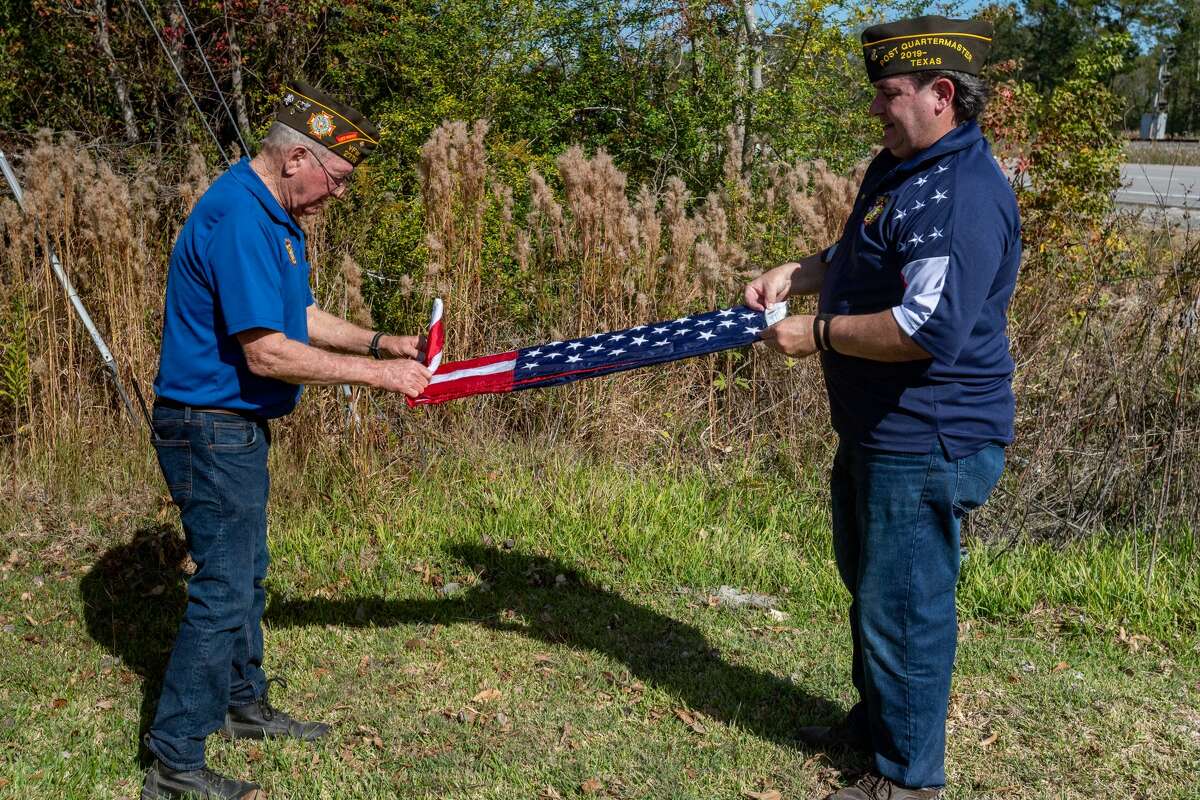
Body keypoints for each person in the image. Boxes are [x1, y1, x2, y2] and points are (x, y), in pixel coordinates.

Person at [744, 16, 1019, 800]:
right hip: (879, 429)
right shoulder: (900, 166)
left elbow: (926, 328)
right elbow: (861, 252)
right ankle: (877, 723)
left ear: (941, 96)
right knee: (873, 586)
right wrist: (794, 274)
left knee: (906, 602)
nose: (876, 111)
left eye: (889, 95)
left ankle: (907, 780)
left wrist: (818, 333)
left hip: (930, 434)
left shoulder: (964, 191)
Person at [141, 82, 431, 800]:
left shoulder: (274, 214)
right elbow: (268, 352)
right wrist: (380, 378)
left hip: (234, 426)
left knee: (247, 569)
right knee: (222, 585)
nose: (334, 195)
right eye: (334, 179)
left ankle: (243, 705)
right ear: (297, 157)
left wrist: (381, 341)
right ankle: (174, 760)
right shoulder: (240, 215)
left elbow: (296, 312)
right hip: (207, 426)